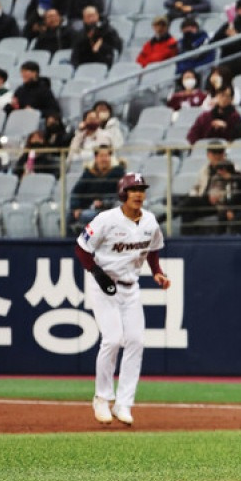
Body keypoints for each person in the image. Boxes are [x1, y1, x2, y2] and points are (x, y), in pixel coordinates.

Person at [77, 173, 172, 427]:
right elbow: (82, 248)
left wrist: (157, 272)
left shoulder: (150, 221)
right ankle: (102, 398)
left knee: (136, 341)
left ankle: (124, 403)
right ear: (123, 193)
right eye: (133, 189)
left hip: (131, 287)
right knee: (113, 339)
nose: (139, 193)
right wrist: (97, 273)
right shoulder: (107, 220)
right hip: (103, 286)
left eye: (141, 189)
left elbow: (152, 250)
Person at [69, 145, 126, 230]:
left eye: (106, 156)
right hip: (90, 208)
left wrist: (103, 203)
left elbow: (122, 194)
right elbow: (75, 192)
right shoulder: (88, 174)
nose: (104, 159)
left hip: (110, 208)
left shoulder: (118, 173)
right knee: (69, 216)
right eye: (101, 156)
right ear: (96, 158)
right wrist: (76, 208)